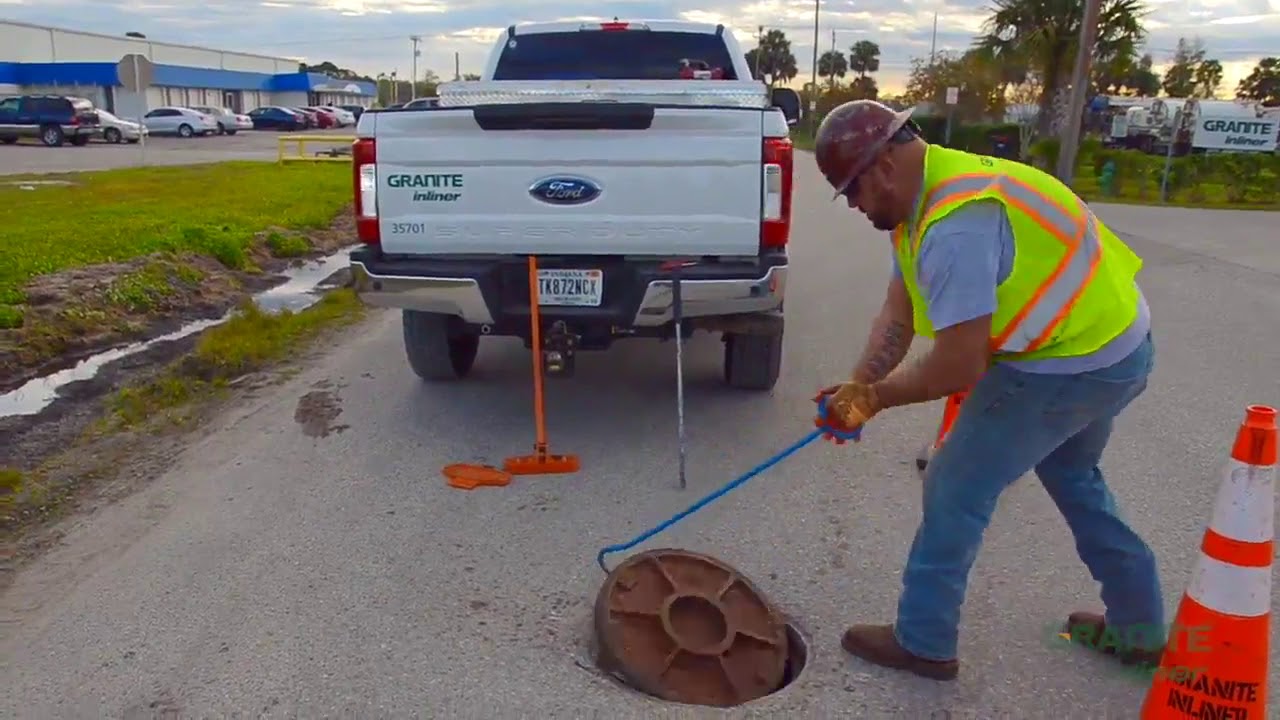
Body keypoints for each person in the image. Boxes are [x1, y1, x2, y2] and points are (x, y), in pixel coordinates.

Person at [812, 99, 1166, 681]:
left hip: (1068, 361)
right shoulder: (931, 192)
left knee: (955, 482)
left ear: (882, 168)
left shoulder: (957, 225)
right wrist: (856, 388)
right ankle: (1139, 628)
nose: (853, 205)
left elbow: (958, 366)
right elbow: (897, 318)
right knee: (1072, 474)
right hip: (1115, 343)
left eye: (851, 190)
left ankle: (923, 641)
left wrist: (872, 401)